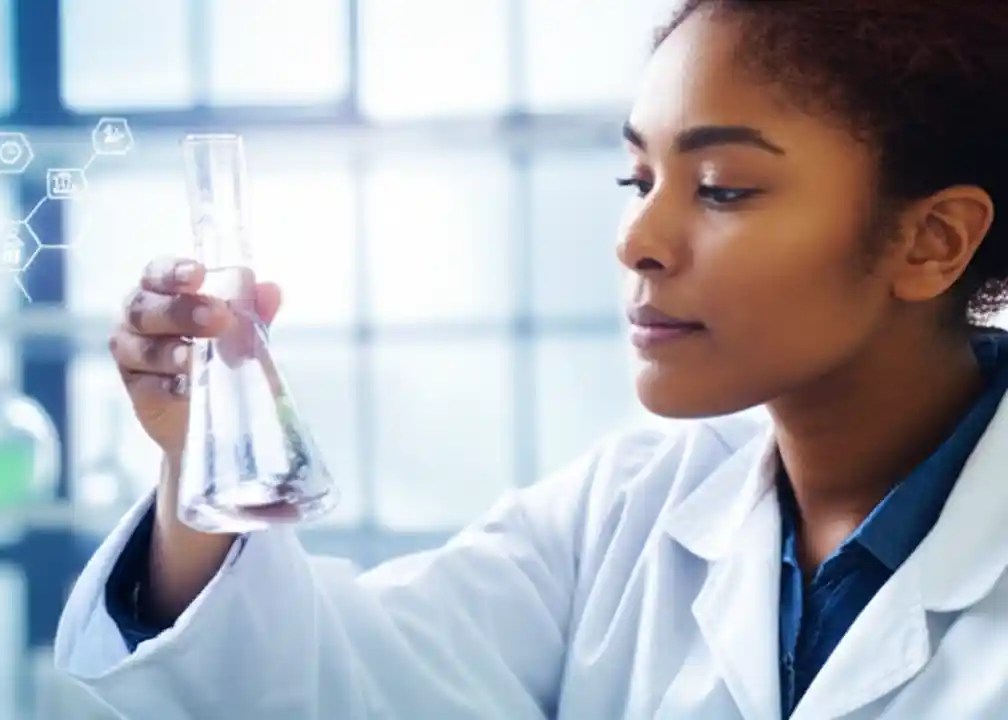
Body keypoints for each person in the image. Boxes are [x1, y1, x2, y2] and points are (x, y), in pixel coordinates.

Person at [55, 1, 1008, 717]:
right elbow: (315, 686)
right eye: (637, 178)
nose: (637, 237)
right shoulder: (628, 514)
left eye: (722, 189)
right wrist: (206, 460)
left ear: (932, 242)